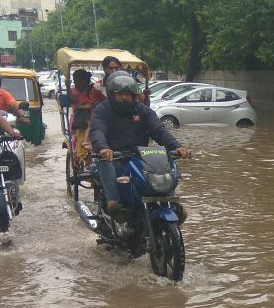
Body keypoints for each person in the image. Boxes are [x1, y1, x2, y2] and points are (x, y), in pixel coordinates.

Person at [89, 71, 190, 221]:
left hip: (138, 157)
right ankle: (116, 206)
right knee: (105, 163)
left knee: (166, 164)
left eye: (128, 94)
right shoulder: (103, 109)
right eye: (120, 93)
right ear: (112, 94)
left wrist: (176, 146)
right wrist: (103, 147)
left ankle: (171, 204)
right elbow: (97, 130)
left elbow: (158, 130)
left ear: (134, 95)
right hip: (113, 156)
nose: (124, 97)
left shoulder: (142, 110)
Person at [68, 68, 106, 169]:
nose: (76, 83)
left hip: (97, 116)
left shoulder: (94, 89)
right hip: (80, 120)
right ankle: (81, 156)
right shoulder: (74, 91)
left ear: (85, 80)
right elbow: (77, 104)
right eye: (75, 80)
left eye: (78, 80)